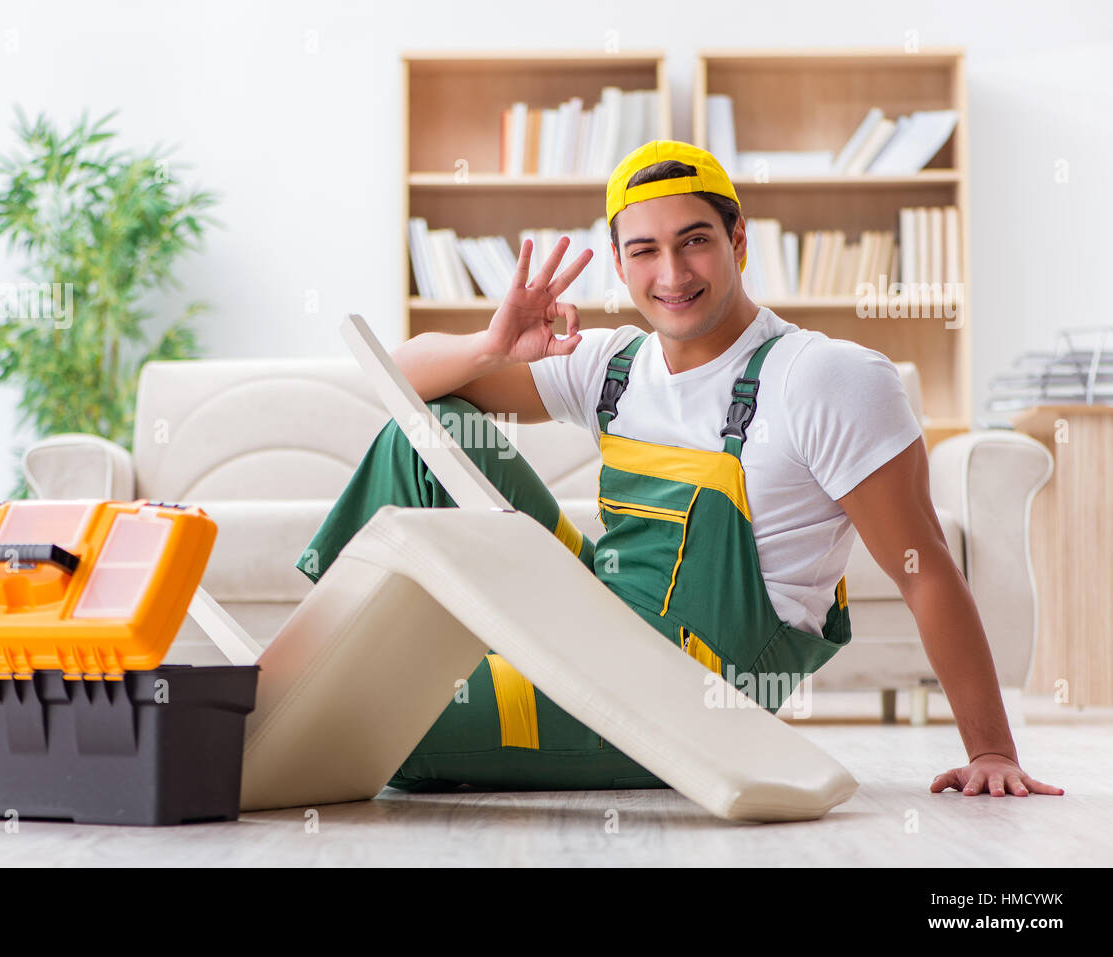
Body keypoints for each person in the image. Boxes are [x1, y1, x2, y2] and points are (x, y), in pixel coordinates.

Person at [297, 140, 1062, 800]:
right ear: (621, 264)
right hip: (589, 620)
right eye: (645, 250)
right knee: (430, 436)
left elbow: (923, 566)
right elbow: (391, 384)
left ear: (739, 240)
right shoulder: (612, 365)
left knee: (373, 722)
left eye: (695, 240)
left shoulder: (824, 379)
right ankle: (314, 655)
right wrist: (490, 346)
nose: (672, 272)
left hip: (678, 702)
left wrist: (991, 751)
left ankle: (335, 693)